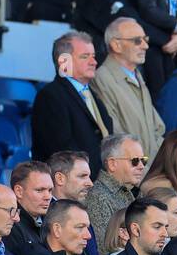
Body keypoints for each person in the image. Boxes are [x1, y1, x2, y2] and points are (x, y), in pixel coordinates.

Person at [33, 31, 115, 174]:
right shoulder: (50, 96)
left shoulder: (94, 96)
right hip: (71, 184)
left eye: (93, 56)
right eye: (85, 56)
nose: (94, 62)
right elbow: (60, 152)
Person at [91, 17, 166, 160]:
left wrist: (160, 169)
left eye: (146, 39)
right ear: (116, 45)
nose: (145, 46)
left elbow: (158, 129)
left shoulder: (137, 76)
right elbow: (115, 139)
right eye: (137, 40)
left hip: (148, 173)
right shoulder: (102, 79)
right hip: (131, 175)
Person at [85, 134, 147, 253]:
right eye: (135, 161)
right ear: (112, 164)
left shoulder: (136, 192)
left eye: (143, 160)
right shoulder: (98, 197)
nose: (141, 166)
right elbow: (104, 251)